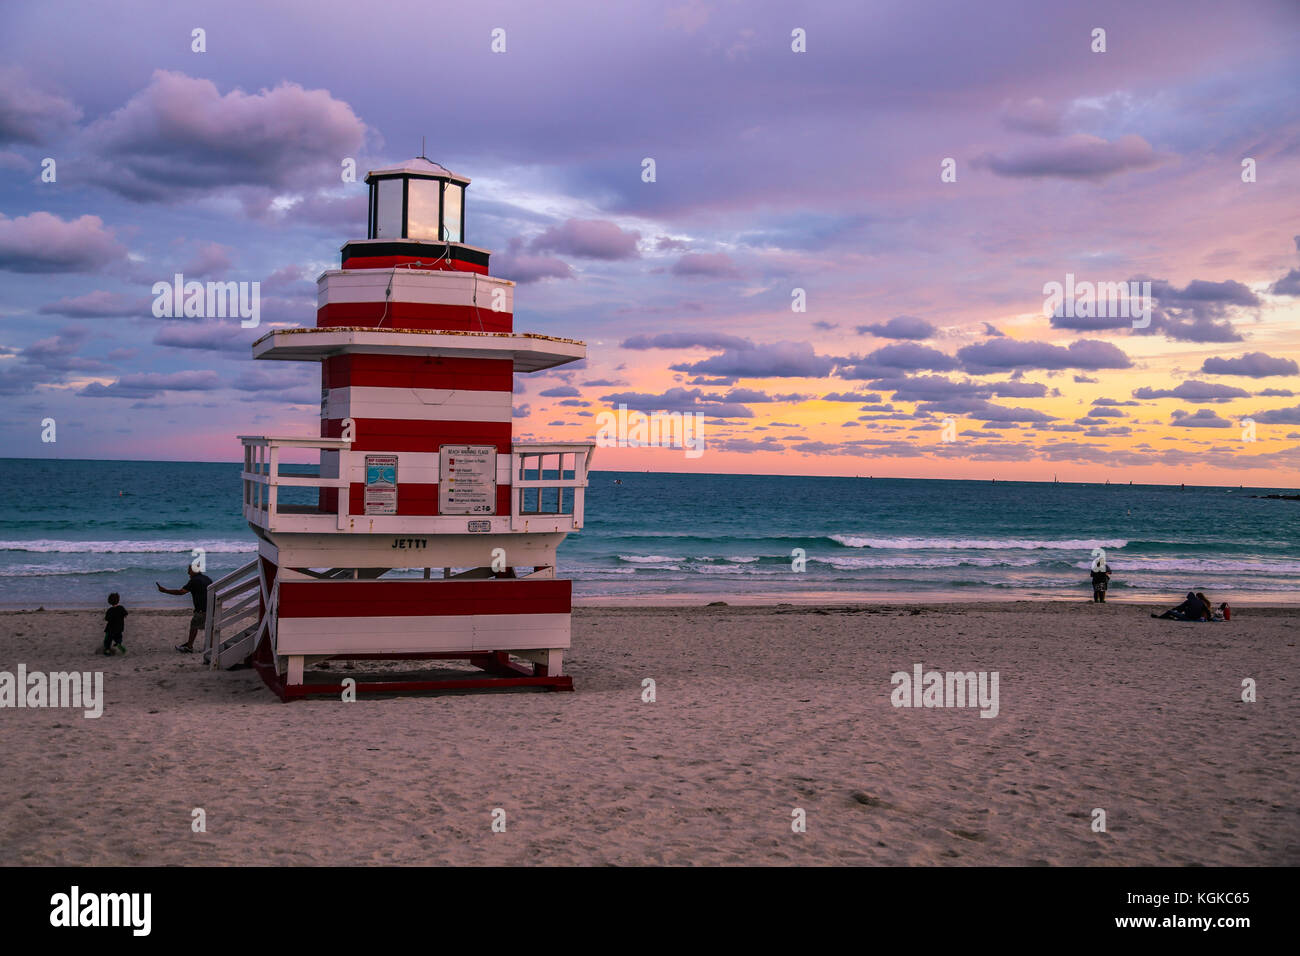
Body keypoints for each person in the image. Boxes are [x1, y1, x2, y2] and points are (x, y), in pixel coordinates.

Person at [157, 565, 214, 653]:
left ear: (195, 571)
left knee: (194, 625)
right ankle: (211, 646)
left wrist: (165, 591)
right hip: (211, 607)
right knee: (209, 627)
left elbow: (181, 592)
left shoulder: (194, 581)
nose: (188, 573)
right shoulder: (207, 579)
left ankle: (189, 646)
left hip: (201, 609)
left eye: (189, 570)